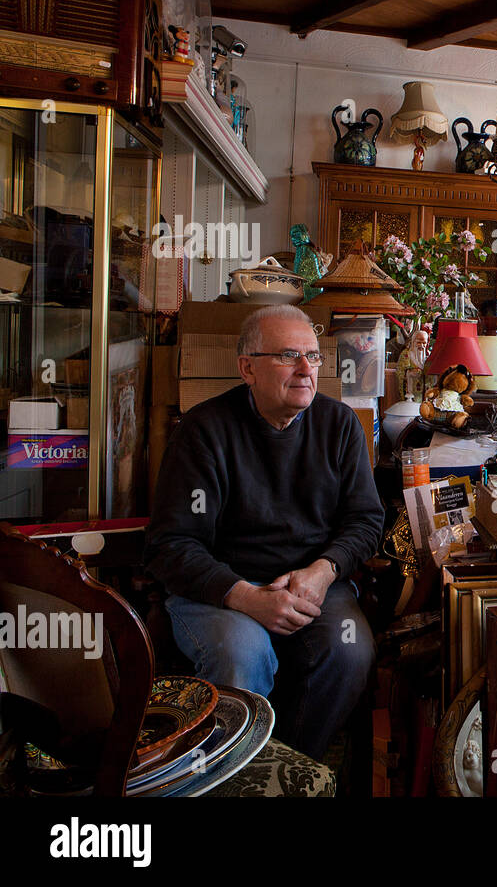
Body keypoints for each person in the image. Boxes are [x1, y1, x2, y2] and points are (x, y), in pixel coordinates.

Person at [144, 305, 383, 760]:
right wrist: (247, 598)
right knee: (242, 652)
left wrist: (323, 571)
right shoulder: (203, 431)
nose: (305, 370)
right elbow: (170, 545)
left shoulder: (339, 425)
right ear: (246, 368)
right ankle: (230, 778)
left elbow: (365, 521)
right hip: (220, 588)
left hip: (312, 584)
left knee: (349, 649)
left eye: (312, 357)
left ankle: (287, 770)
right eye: (288, 356)